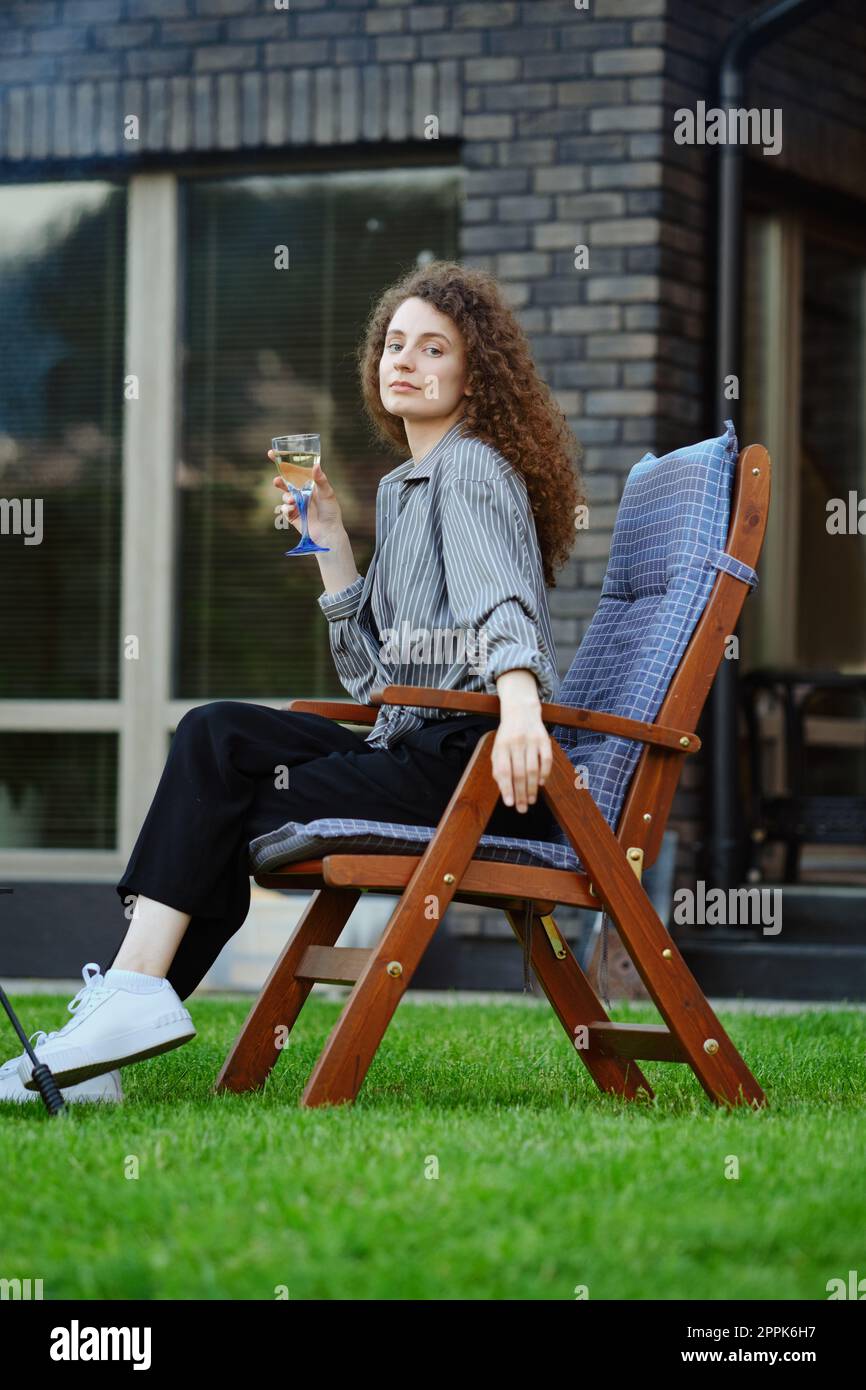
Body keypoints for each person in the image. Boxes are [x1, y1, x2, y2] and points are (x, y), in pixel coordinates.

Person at [2, 260, 583, 1105]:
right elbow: (379, 682)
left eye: (433, 349)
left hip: (475, 764)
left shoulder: (468, 469)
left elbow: (503, 604)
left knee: (231, 793)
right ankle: (123, 1012)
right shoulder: (403, 487)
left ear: (474, 374)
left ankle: (118, 1024)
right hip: (416, 742)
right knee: (217, 734)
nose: (404, 361)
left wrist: (523, 706)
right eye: (394, 344)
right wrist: (333, 552)